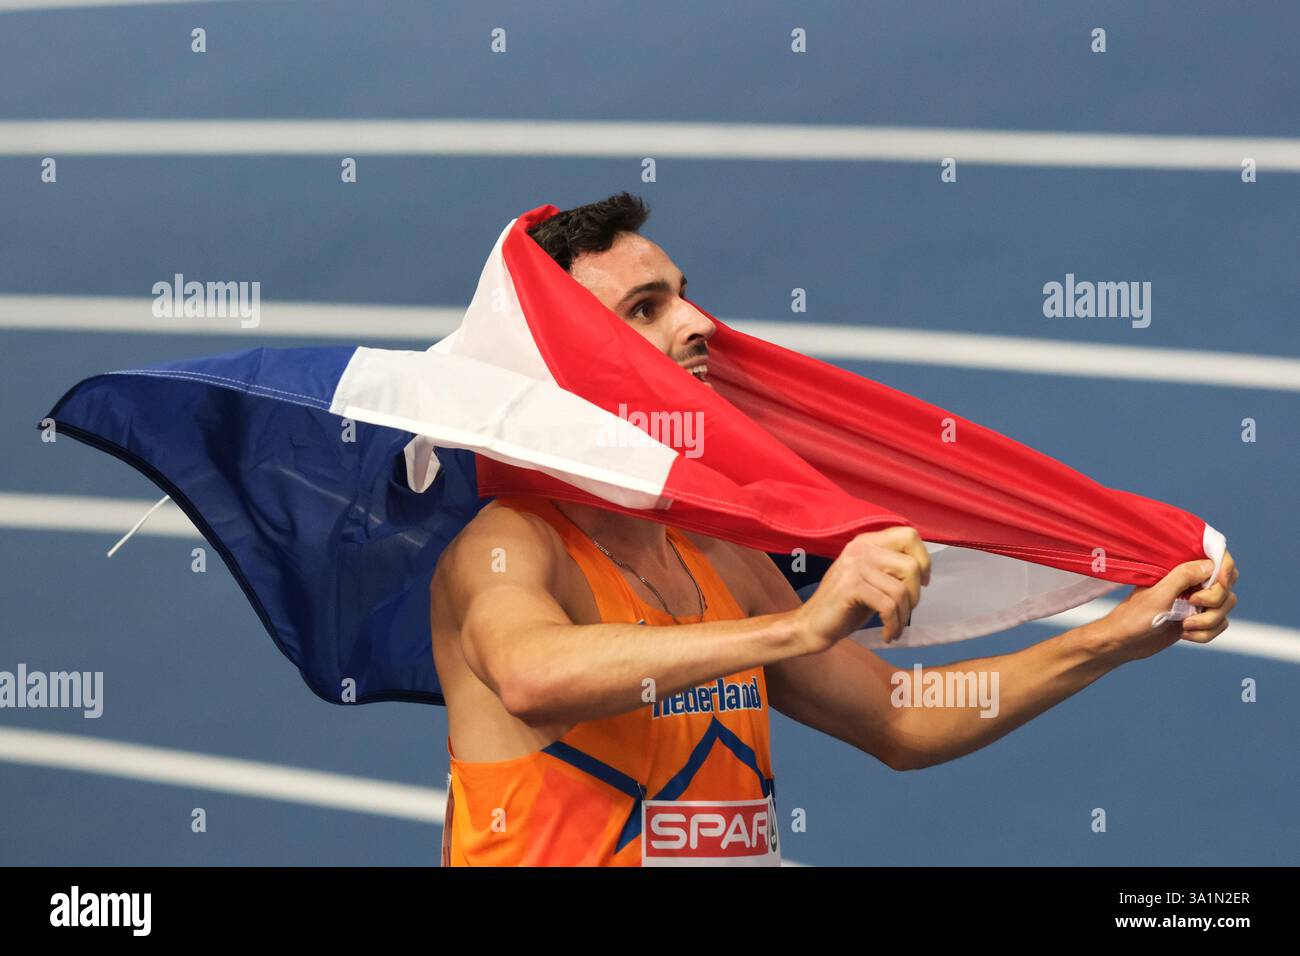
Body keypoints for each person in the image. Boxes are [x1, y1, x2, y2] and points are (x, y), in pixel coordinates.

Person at [430, 192, 1239, 866]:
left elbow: (898, 717)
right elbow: (528, 672)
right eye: (648, 309)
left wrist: (1108, 639)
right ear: (563, 355)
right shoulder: (506, 550)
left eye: (682, 292)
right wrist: (798, 626)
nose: (698, 323)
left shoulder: (715, 550)